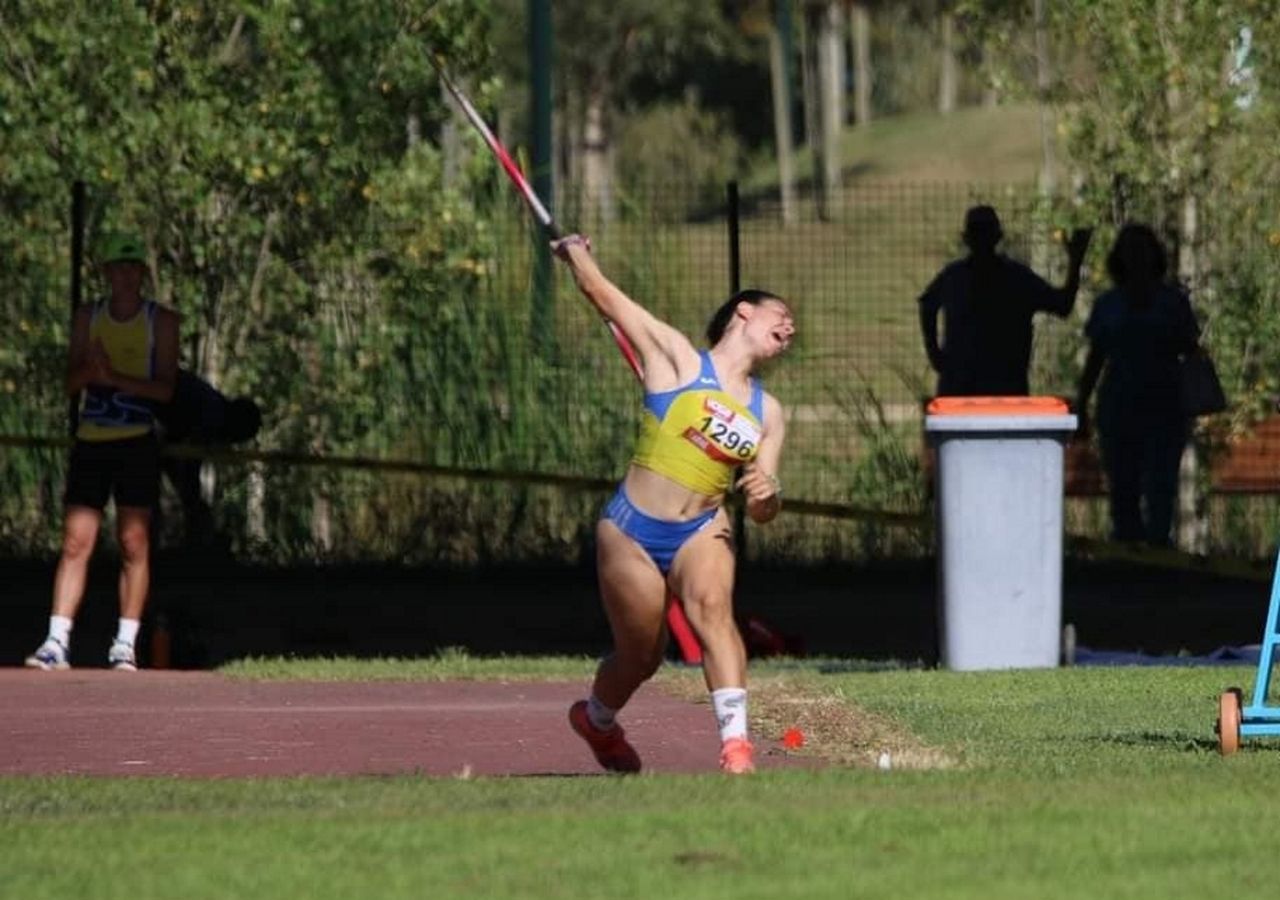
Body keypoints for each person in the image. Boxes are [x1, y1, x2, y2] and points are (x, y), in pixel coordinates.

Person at [553, 233, 794, 775]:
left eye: (792, 328)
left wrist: (767, 495)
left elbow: (763, 505)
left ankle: (737, 750)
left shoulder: (768, 412)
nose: (790, 328)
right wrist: (576, 252)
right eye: (782, 315)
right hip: (631, 532)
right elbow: (606, 297)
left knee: (714, 612)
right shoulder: (679, 360)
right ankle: (596, 719)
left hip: (702, 527)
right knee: (641, 656)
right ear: (744, 312)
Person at [25, 231, 180, 671]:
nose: (128, 276)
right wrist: (90, 373)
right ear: (108, 274)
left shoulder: (162, 322)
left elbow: (166, 390)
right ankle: (57, 640)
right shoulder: (88, 318)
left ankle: (125, 643)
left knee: (133, 539)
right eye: (120, 268)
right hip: (92, 442)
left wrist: (115, 379)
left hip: (137, 443)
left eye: (135, 269)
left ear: (142, 275)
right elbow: (70, 384)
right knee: (76, 540)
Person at [1075, 223, 1200, 546]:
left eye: (1142, 251)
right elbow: (1095, 357)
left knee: (1162, 484)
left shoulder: (1173, 302)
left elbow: (1190, 347)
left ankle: (1159, 550)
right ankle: (1127, 551)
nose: (1137, 259)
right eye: (1130, 252)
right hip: (1120, 404)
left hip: (1165, 404)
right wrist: (1082, 403)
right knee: (1123, 482)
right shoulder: (1108, 304)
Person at [919, 205, 1092, 396]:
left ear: (966, 239)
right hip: (1005, 387)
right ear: (998, 236)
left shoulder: (954, 277)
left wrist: (935, 353)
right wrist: (1075, 263)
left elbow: (927, 304)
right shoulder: (1017, 278)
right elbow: (1063, 305)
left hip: (962, 389)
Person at [155, 369, 262, 546]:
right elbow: (190, 461)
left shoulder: (211, 409)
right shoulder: (214, 414)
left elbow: (182, 453)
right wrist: (193, 503)